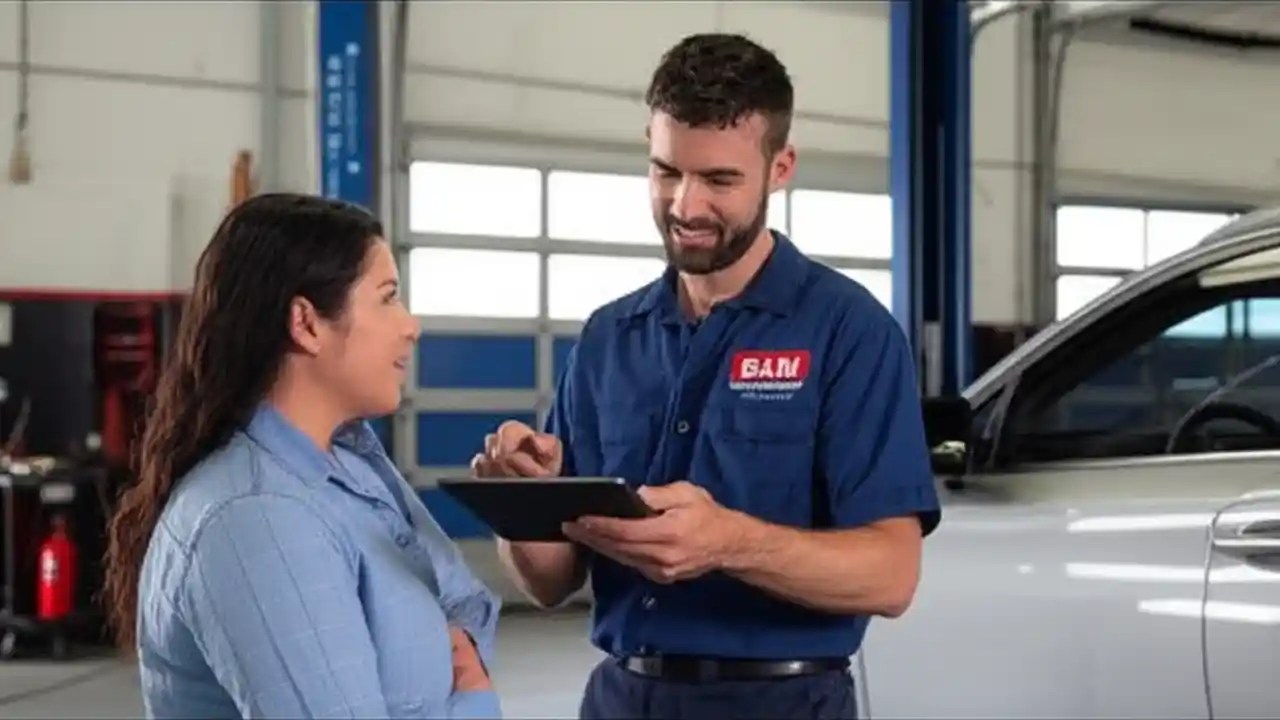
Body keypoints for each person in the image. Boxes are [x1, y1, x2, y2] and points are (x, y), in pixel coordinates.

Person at [472, 33, 941, 720]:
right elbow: (549, 583)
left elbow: (892, 575)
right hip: (620, 697)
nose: (686, 207)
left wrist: (730, 541)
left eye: (720, 180)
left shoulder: (850, 332)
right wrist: (519, 508)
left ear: (780, 167)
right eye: (667, 172)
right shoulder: (609, 338)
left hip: (782, 702)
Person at [102, 194, 502, 719]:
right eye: (388, 298)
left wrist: (463, 661)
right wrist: (470, 699)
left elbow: (467, 604)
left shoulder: (351, 465)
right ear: (306, 323)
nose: (411, 325)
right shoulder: (256, 517)